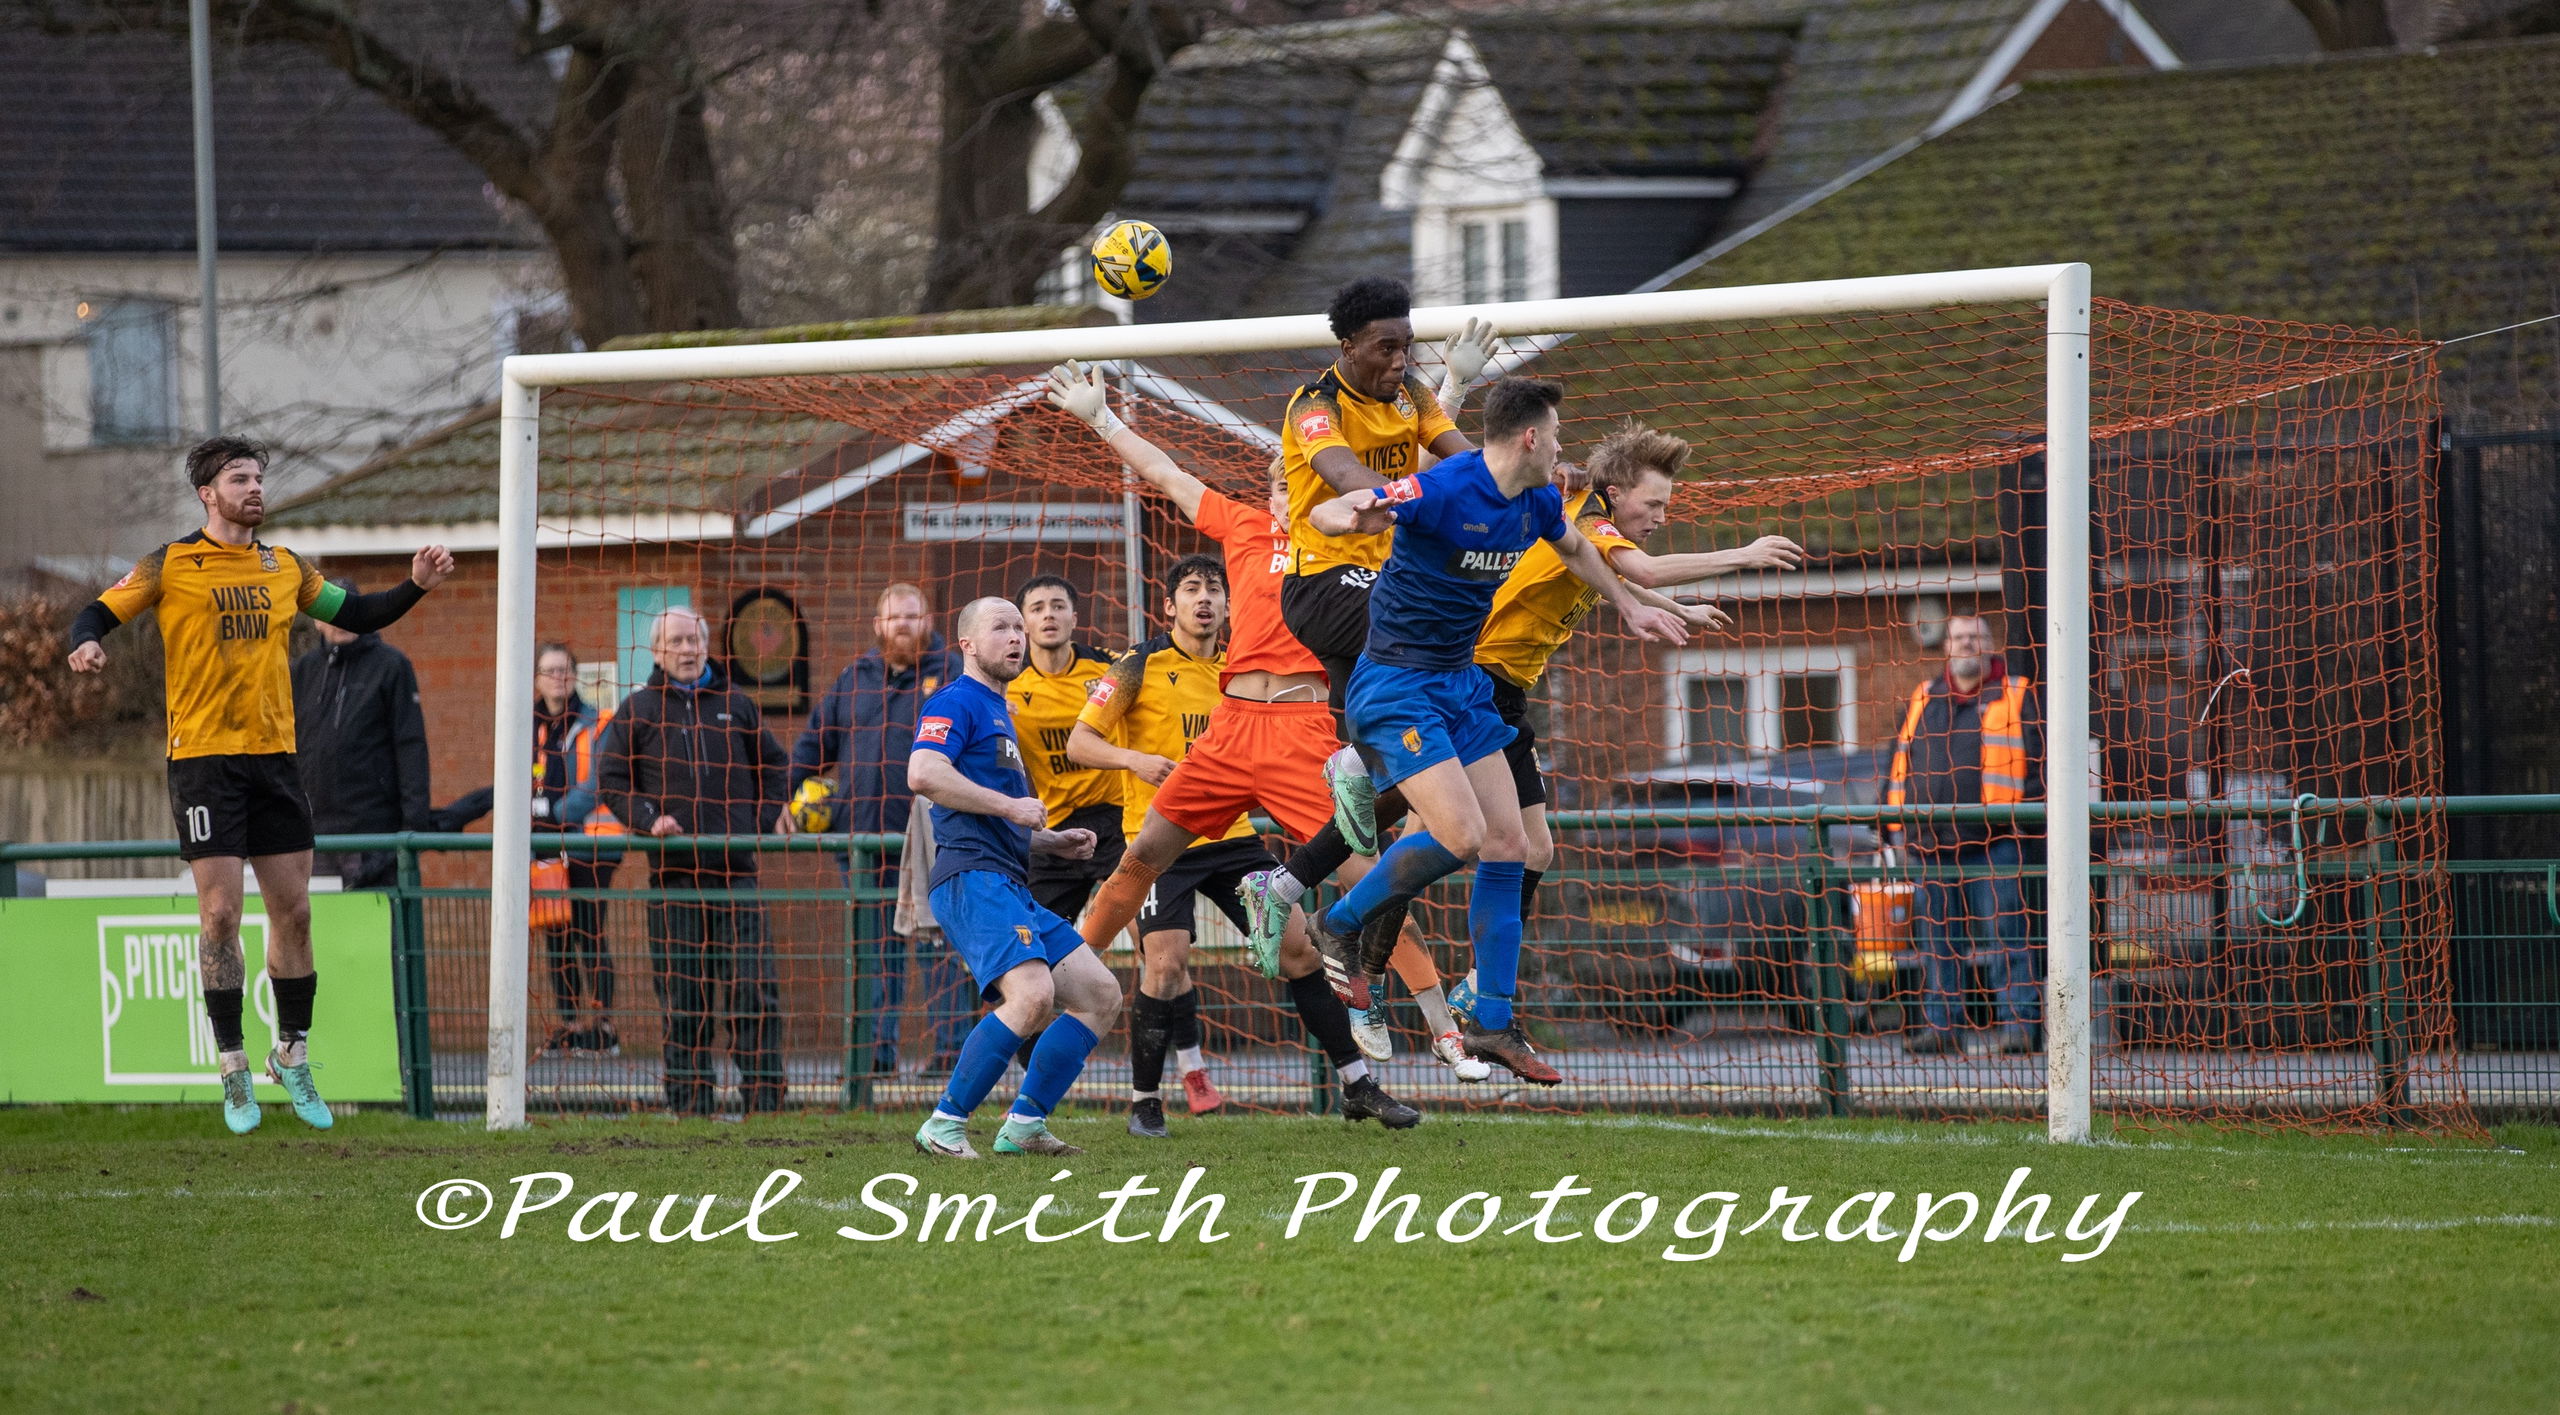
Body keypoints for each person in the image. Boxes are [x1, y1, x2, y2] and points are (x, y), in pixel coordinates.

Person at [1041, 360, 1438, 1117]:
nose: (1291, 492)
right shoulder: (1243, 526)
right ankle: (1068, 970)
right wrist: (1101, 418)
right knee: (1140, 860)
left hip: (1300, 731)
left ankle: (1440, 1026)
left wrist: (1436, 395)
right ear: (1274, 486)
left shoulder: (1355, 542)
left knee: (1365, 875)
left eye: (1302, 481)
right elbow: (1164, 471)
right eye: (1283, 481)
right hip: (1231, 730)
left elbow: (1411, 475)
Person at [1302, 378, 1690, 1084]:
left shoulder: (1540, 498)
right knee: (1462, 835)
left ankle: (1491, 1022)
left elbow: (1575, 550)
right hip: (1397, 683)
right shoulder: (1444, 489)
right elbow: (1341, 518)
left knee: (1512, 842)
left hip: (1463, 684)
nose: (1569, 448)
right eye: (1560, 434)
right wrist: (1345, 508)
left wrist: (1629, 608)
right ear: (1530, 438)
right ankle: (1340, 921)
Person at [65, 434, 453, 1134]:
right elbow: (98, 610)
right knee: (218, 914)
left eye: (258, 478)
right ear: (206, 493)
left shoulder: (286, 568)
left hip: (275, 759)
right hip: (204, 762)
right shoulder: (171, 563)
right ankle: (233, 1065)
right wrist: (85, 640)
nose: (254, 489)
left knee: (295, 913)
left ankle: (292, 1055)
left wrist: (416, 585)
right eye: (239, 478)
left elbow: (356, 615)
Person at [907, 597, 1122, 1159]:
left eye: (1018, 629)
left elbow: (989, 810)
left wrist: (1050, 840)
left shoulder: (1002, 712)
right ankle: (944, 1124)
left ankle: (1024, 1124)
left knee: (1101, 995)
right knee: (1031, 995)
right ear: (967, 646)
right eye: (1000, 627)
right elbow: (923, 773)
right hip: (971, 878)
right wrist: (1011, 808)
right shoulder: (957, 701)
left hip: (1009, 880)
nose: (1016, 636)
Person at [596, 606, 793, 1115]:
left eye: (694, 641)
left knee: (753, 994)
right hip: (673, 881)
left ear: (707, 647)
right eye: (676, 642)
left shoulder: (737, 704)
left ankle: (765, 1104)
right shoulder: (638, 710)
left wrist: (764, 817)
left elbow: (775, 766)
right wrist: (648, 819)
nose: (687, 650)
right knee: (684, 999)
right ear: (657, 651)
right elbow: (612, 780)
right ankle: (689, 1107)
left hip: (737, 880)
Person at [790, 583, 971, 1076]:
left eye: (912, 617)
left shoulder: (955, 675)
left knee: (941, 951)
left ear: (928, 620)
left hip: (936, 842)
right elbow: (811, 748)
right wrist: (785, 799)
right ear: (878, 625)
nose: (903, 626)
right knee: (876, 955)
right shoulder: (855, 678)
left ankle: (951, 1054)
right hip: (865, 847)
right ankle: (877, 1056)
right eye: (894, 618)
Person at [1886, 614, 2046, 1056]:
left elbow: (2039, 764)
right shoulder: (1924, 696)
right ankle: (1942, 1027)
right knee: (1938, 944)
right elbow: (1898, 761)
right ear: (1947, 647)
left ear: (1989, 644)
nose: (1966, 645)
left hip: (1996, 844)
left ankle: (2018, 1026)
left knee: (2008, 938)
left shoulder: (2015, 692)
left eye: (1974, 637)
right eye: (1958, 638)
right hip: (1930, 844)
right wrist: (1891, 825)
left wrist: (2022, 822)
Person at [290, 581, 432, 891]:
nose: (342, 620)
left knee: (383, 935)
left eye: (350, 610)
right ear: (316, 620)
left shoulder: (391, 666)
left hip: (373, 837)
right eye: (332, 612)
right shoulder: (300, 673)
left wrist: (412, 829)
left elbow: (410, 746)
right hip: (314, 838)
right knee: (318, 934)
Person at [529, 641, 626, 1057]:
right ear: (536, 677)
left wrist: (553, 810)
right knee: (557, 931)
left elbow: (598, 783)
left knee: (590, 931)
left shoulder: (598, 722)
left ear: (575, 676)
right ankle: (568, 1023)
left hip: (592, 843)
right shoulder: (527, 725)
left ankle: (603, 1026)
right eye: (549, 670)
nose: (558, 678)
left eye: (565, 670)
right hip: (547, 844)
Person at [1009, 575, 1123, 920]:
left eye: (1058, 607)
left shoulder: (1112, 667)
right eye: (1038, 608)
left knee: (1148, 936)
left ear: (1074, 618)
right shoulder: (1006, 686)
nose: (1049, 616)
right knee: (1035, 942)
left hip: (1116, 817)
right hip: (1053, 824)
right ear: (1024, 623)